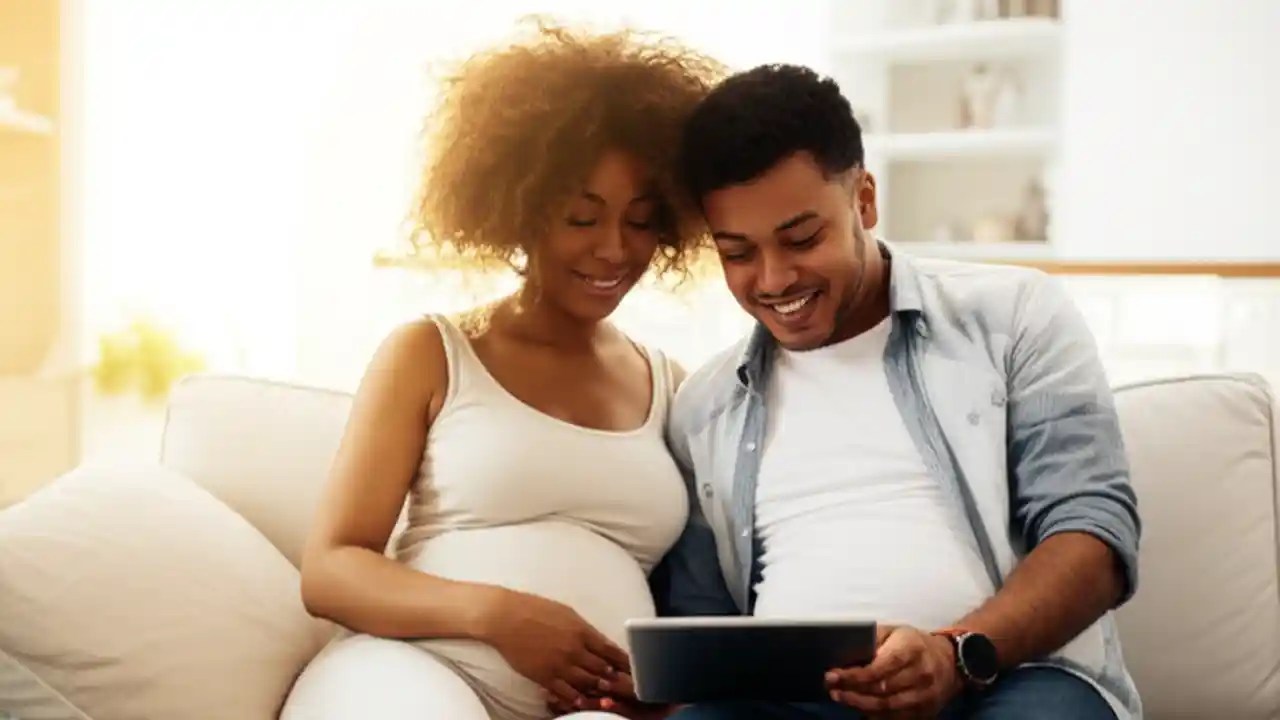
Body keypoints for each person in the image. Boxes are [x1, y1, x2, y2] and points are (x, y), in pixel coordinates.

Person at [634, 64, 1142, 720]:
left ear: (865, 201)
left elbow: (1094, 536)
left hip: (1009, 680)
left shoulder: (1014, 315)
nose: (774, 279)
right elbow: (701, 623)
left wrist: (954, 654)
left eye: (802, 239)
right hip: (797, 705)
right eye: (738, 253)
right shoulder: (706, 405)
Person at [280, 21, 720, 720]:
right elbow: (331, 569)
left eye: (641, 221)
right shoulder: (432, 353)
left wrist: (659, 690)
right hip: (410, 668)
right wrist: (499, 616)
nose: (614, 249)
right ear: (520, 211)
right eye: (581, 218)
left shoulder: (671, 386)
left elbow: (693, 596)